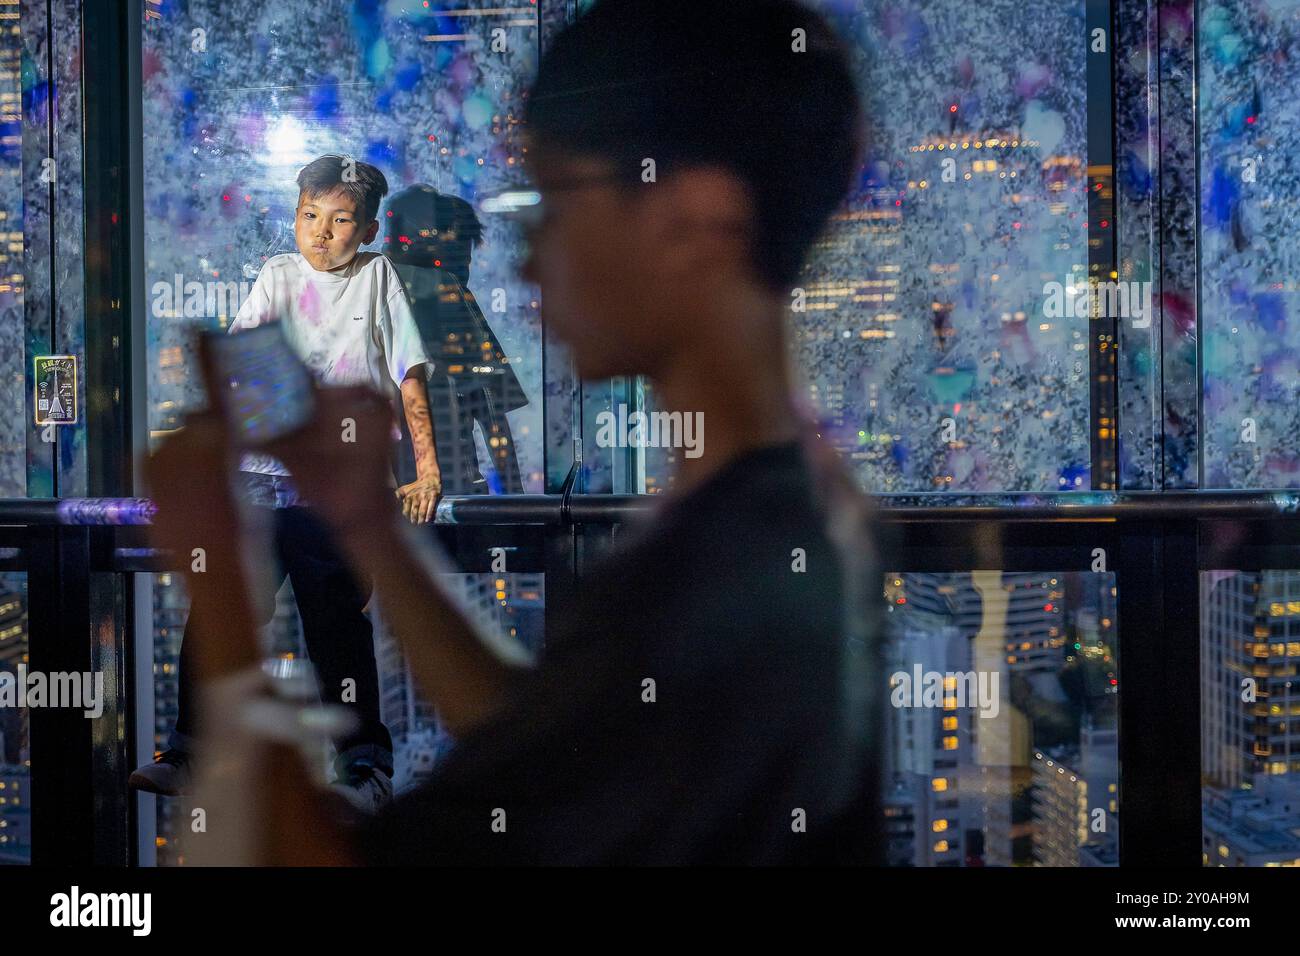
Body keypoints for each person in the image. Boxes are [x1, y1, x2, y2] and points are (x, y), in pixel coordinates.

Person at [145, 0, 886, 864]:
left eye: (553, 203)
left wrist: (228, 610)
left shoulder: (727, 583)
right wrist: (367, 523)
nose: (531, 262)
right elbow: (549, 750)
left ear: (693, 219)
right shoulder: (780, 516)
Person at [130, 154, 443, 813]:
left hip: (336, 492)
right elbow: (243, 363)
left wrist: (427, 469)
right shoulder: (276, 274)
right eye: (309, 216)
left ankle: (365, 767)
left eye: (339, 221)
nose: (321, 233)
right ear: (294, 217)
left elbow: (410, 373)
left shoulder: (379, 277)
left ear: (368, 230)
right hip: (261, 483)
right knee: (222, 613)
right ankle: (188, 752)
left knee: (337, 626)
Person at [384, 185, 529, 494]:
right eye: (460, 253)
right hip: (448, 486)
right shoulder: (446, 289)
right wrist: (518, 503)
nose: (465, 268)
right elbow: (492, 412)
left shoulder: (369, 281)